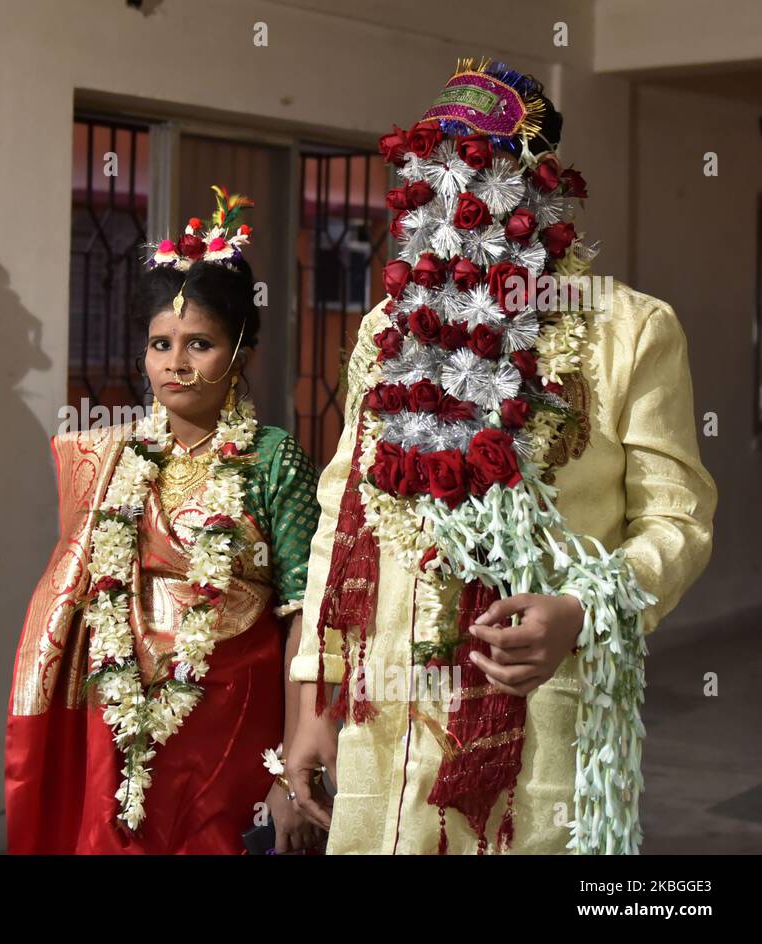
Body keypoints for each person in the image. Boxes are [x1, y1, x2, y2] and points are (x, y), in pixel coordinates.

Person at [284, 60, 717, 855]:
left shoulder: (628, 329)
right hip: (383, 713)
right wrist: (310, 702)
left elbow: (678, 521)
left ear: (534, 193)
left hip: (538, 711)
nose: (453, 201)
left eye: (476, 175)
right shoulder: (388, 329)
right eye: (430, 176)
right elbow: (341, 509)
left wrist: (584, 611)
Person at [6, 187, 325, 853]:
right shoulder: (116, 455)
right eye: (160, 343)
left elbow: (304, 616)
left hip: (235, 729)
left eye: (199, 343)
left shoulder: (272, 456)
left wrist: (293, 764)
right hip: (121, 719)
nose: (175, 364)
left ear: (241, 353)